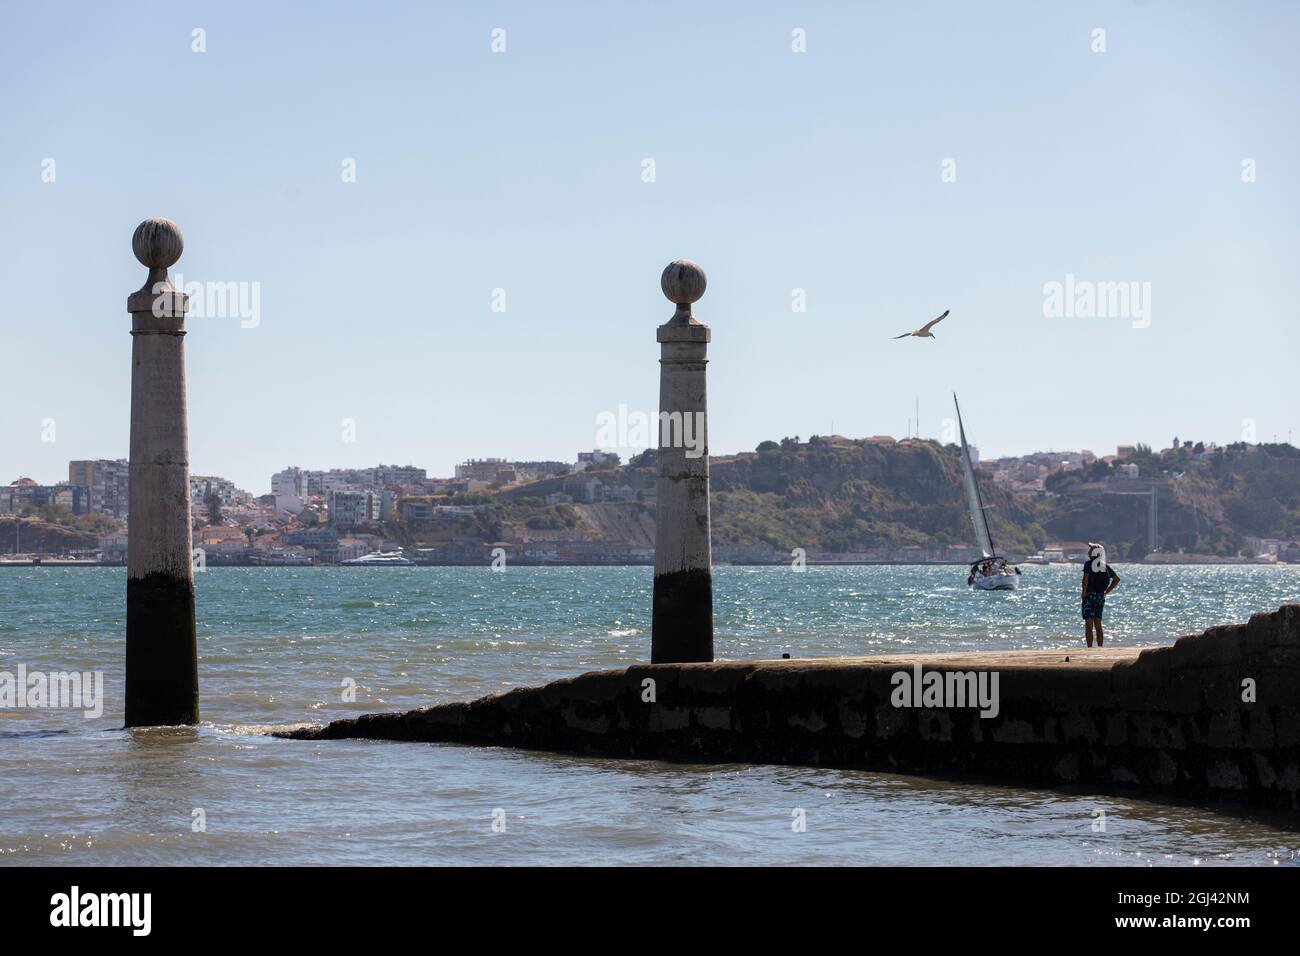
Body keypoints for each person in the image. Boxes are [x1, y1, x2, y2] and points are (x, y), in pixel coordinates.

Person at [1081, 543, 1120, 647]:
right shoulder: (1104, 566)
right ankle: (1100, 648)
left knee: (1088, 624)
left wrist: (1084, 592)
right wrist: (1106, 591)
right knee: (1098, 624)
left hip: (1090, 596)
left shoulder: (1089, 564)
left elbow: (1085, 579)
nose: (1088, 552)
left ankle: (1090, 648)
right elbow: (1116, 579)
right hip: (1100, 597)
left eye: (1090, 550)